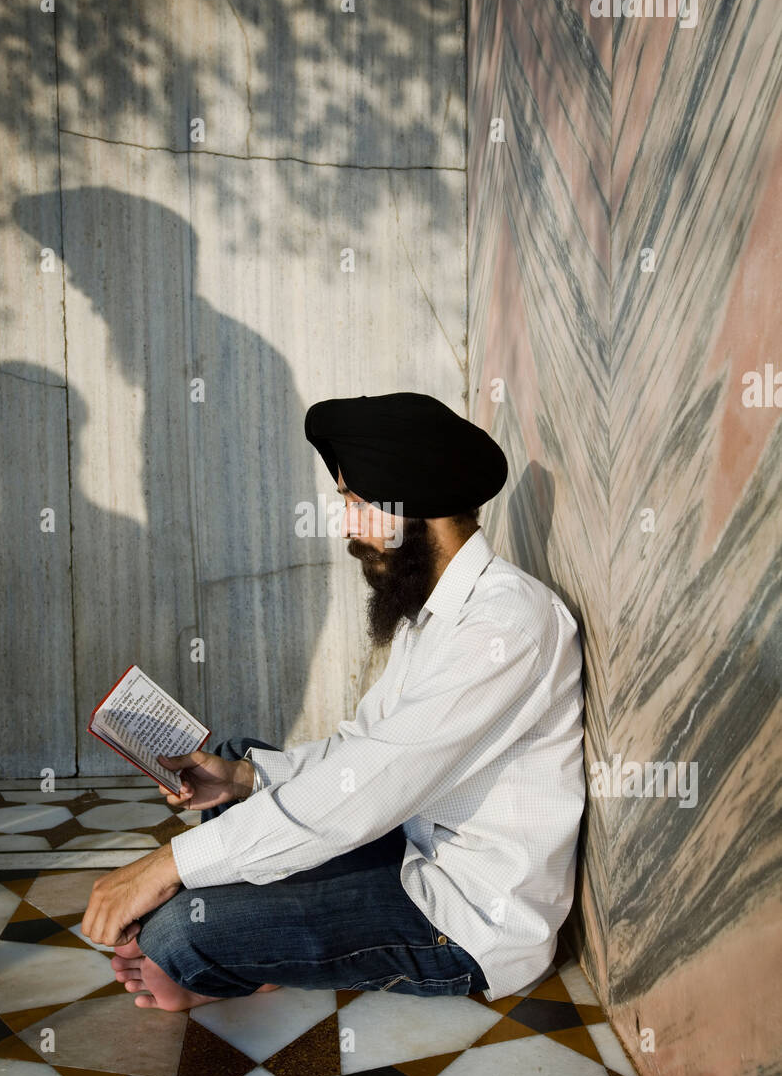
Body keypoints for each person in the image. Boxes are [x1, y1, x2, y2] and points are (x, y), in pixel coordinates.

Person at [81, 392, 586, 1007]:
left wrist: (168, 866)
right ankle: (263, 939)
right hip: (409, 843)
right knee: (241, 765)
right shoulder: (439, 612)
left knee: (182, 929)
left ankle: (238, 962)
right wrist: (243, 776)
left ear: (409, 505)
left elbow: (371, 785)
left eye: (355, 500)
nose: (348, 525)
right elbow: (362, 748)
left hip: (466, 917)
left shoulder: (505, 626)